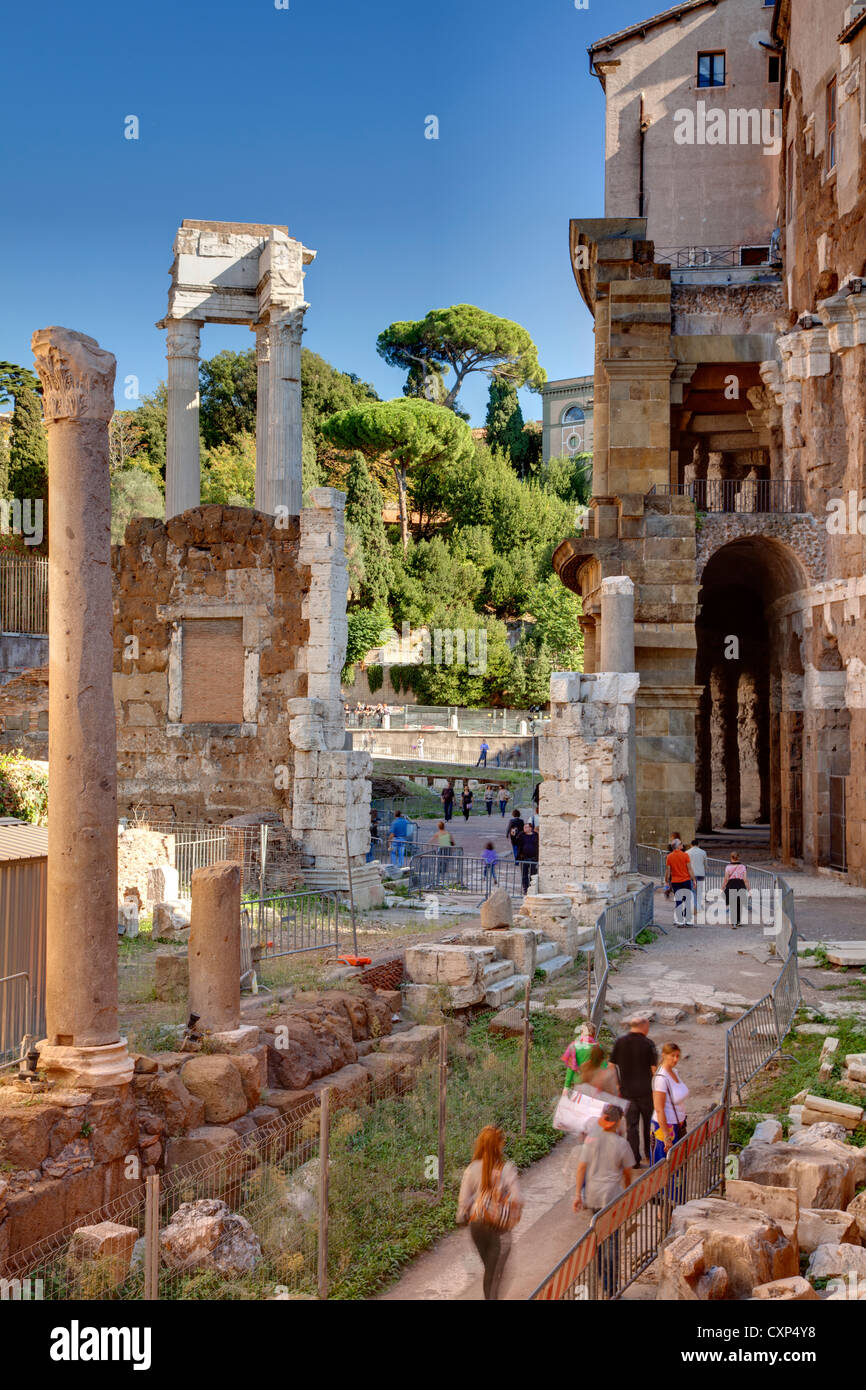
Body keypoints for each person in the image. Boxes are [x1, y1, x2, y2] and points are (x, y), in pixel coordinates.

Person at [572, 1104, 635, 1296]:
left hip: (593, 1196)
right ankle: (611, 1287)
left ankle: (603, 1279)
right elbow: (627, 1172)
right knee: (613, 1241)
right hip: (612, 1198)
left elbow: (581, 1168)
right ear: (617, 1123)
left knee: (599, 1238)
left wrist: (577, 1195)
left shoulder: (592, 1141)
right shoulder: (622, 1144)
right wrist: (626, 1191)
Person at [457, 1125, 522, 1300]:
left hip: (476, 1228)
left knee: (491, 1270)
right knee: (496, 1273)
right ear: (498, 1145)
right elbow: (517, 1199)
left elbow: (463, 1203)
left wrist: (479, 1202)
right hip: (498, 1228)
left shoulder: (471, 1169)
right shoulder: (506, 1168)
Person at [611, 1016, 659, 1167]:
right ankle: (649, 1155)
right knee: (648, 1125)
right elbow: (654, 1070)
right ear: (643, 1026)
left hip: (627, 1093)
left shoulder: (620, 1042)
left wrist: (618, 1085)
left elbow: (611, 1066)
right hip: (646, 1092)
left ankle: (633, 1160)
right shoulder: (648, 1044)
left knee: (631, 1127)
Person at [650, 1043, 689, 1164]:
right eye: (672, 1056)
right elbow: (659, 1109)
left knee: (677, 1163)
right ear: (664, 1055)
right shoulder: (661, 1079)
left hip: (677, 1125)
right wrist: (667, 1136)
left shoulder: (674, 1072)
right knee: (665, 1165)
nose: (676, 1059)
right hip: (666, 1128)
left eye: (678, 1056)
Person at [665, 841, 695, 927]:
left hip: (675, 881)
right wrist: (693, 879)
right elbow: (689, 869)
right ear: (678, 846)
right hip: (685, 880)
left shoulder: (669, 856)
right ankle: (688, 920)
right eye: (681, 843)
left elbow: (668, 871)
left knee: (678, 900)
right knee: (687, 900)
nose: (682, 845)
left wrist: (666, 880)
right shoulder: (685, 855)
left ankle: (680, 920)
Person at [561, 1024, 597, 1089]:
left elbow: (570, 1069)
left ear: (581, 1033)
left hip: (578, 1085)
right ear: (594, 1034)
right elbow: (603, 1068)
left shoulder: (573, 1046)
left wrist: (566, 1086)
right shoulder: (598, 1048)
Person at [723, 852, 750, 928]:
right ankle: (738, 921)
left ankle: (734, 922)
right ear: (738, 858)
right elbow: (745, 879)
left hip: (731, 884)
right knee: (739, 904)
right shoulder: (743, 867)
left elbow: (726, 879)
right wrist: (749, 889)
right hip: (740, 885)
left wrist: (723, 887)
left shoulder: (728, 867)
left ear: (731, 858)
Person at [686, 840, 708, 919]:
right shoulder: (703, 852)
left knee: (692, 891)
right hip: (700, 874)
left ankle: (693, 907)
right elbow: (706, 864)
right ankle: (698, 907)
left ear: (691, 845)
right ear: (698, 845)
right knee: (699, 891)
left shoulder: (687, 852)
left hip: (691, 875)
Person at [518, 822, 539, 894]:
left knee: (533, 875)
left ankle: (532, 888)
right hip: (524, 858)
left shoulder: (536, 835)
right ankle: (525, 889)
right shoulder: (521, 835)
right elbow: (515, 840)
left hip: (533, 858)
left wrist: (537, 857)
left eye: (527, 827)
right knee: (524, 875)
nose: (525, 829)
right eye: (524, 827)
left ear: (531, 828)